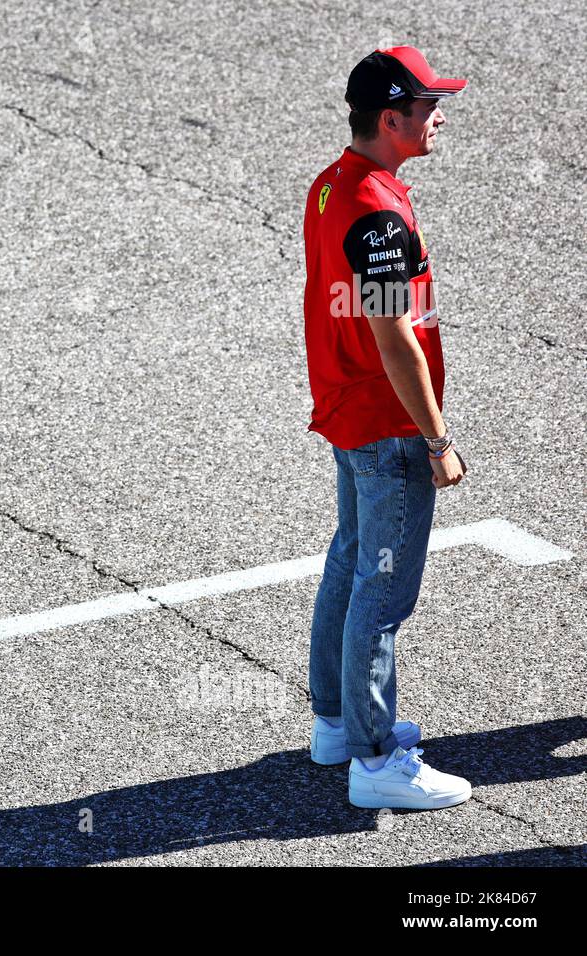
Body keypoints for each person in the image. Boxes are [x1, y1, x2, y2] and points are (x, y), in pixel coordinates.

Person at [301, 47, 471, 810]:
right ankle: (374, 763)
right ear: (389, 117)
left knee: (351, 559)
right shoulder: (375, 209)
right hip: (386, 419)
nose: (441, 116)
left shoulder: (334, 182)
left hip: (347, 406)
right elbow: (393, 333)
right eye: (430, 104)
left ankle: (338, 724)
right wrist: (435, 438)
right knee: (385, 588)